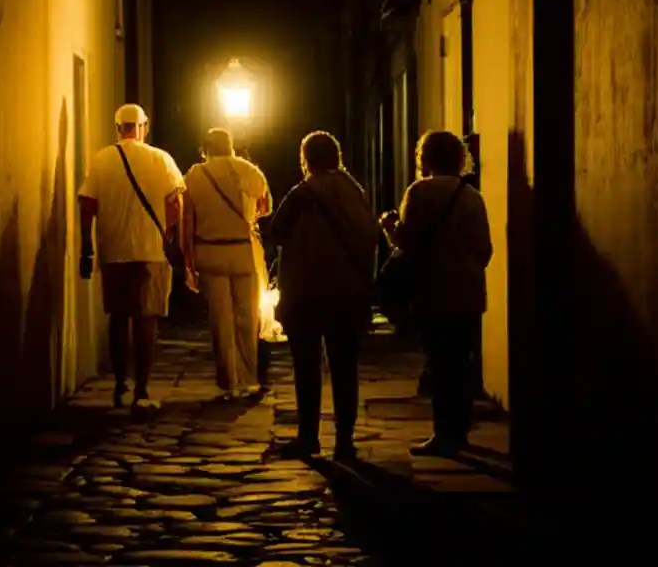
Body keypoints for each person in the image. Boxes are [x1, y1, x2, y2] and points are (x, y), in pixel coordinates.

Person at [379, 130, 492, 456]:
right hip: (469, 292)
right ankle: (460, 432)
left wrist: (389, 228)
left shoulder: (420, 193)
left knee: (441, 364)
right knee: (461, 363)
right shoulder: (472, 196)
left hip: (434, 291)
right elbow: (485, 249)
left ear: (424, 158)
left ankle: (444, 434)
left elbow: (408, 243)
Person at [269, 131, 379, 460]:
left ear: (306, 159)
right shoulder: (354, 190)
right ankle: (344, 440)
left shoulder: (303, 192)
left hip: (307, 290)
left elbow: (277, 232)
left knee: (307, 366)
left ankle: (308, 436)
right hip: (347, 291)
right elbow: (369, 235)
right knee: (345, 367)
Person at [78, 104, 185, 411]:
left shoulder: (102, 160)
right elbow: (174, 203)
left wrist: (87, 247)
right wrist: (170, 237)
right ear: (144, 127)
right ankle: (142, 388)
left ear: (117, 128)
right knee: (146, 319)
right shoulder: (160, 159)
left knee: (118, 317)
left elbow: (88, 204)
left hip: (114, 250)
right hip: (151, 250)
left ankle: (120, 383)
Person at [181, 128, 271, 401]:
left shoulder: (195, 175)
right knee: (248, 317)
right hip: (242, 250)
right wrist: (247, 215)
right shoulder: (249, 170)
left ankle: (229, 382)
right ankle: (249, 379)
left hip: (210, 251)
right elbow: (265, 206)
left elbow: (188, 223)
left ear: (205, 148)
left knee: (221, 320)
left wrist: (188, 261)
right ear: (231, 146)